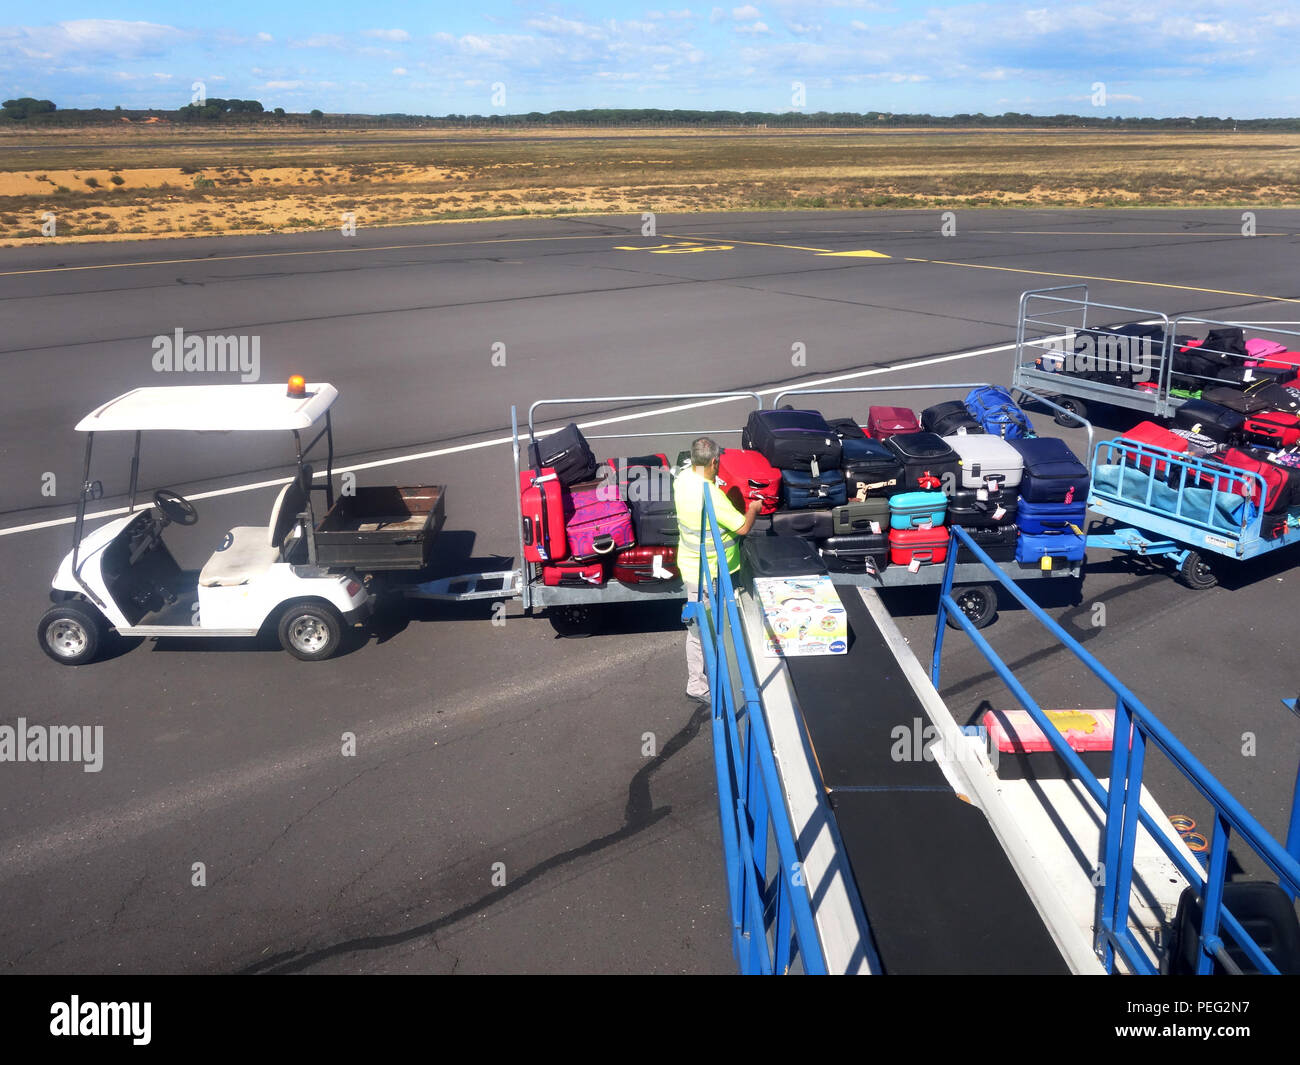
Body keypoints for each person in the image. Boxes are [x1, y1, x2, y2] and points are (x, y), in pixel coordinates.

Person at [674, 437, 763, 704]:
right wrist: (753, 509)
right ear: (714, 462)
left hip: (691, 565)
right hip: (709, 572)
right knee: (703, 631)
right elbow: (742, 528)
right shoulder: (710, 495)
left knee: (700, 627)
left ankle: (705, 679)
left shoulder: (683, 480)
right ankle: (698, 686)